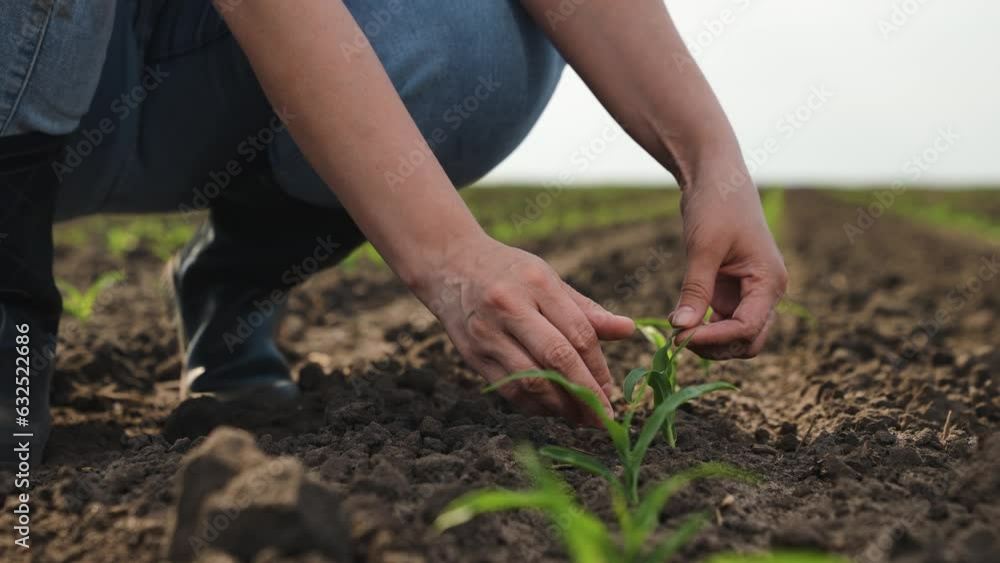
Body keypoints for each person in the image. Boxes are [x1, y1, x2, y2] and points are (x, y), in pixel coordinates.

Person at [0, 0, 787, 466]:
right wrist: (447, 255)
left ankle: (233, 286)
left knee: (473, 41)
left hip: (155, 78)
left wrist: (710, 161)